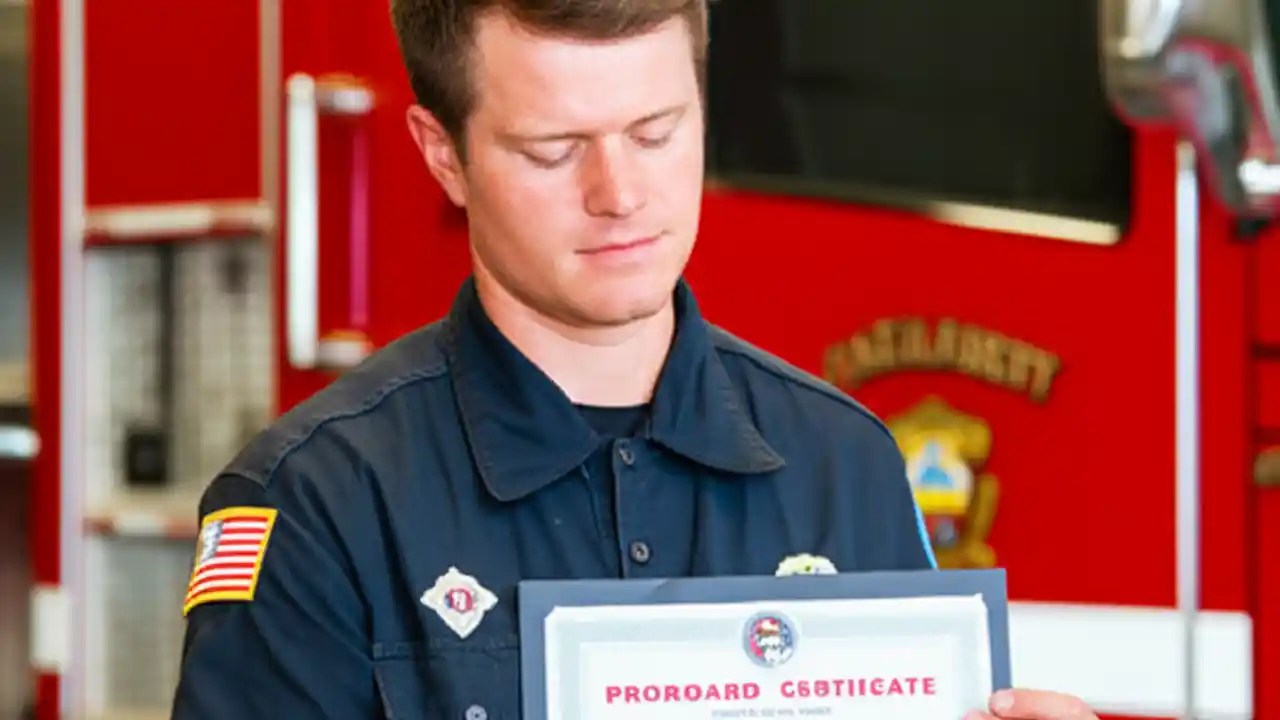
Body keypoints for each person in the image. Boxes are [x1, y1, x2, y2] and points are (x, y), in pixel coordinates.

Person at [170, 2, 1099, 719]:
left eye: (656, 133)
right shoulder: (316, 503)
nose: (618, 193)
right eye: (553, 149)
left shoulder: (843, 462)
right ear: (442, 155)